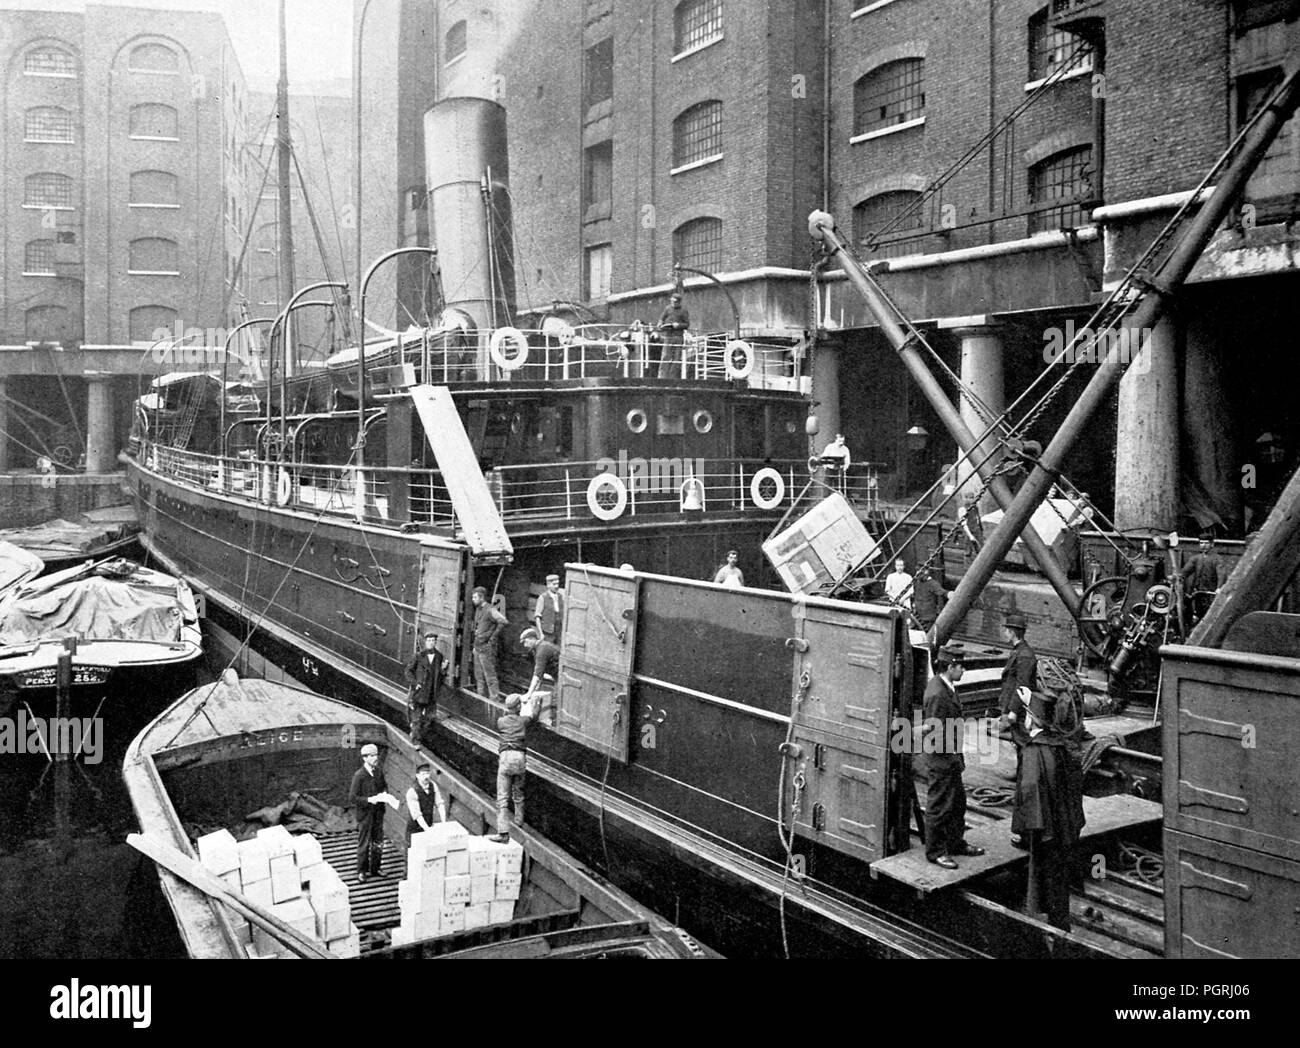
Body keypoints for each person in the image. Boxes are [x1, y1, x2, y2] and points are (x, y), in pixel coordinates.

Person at [1014, 686, 1085, 931]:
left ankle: (1057, 930)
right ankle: (1060, 922)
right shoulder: (1058, 744)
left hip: (1047, 831)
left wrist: (1026, 830)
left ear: (1032, 719)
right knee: (1060, 880)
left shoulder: (1034, 751)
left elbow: (1030, 789)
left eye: (1026, 714)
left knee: (1047, 879)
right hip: (1065, 825)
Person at [922, 645, 985, 869]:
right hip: (942, 760)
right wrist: (950, 759)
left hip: (951, 759)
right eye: (961, 666)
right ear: (950, 667)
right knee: (939, 806)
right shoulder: (938, 693)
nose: (964, 670)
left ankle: (955, 843)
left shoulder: (945, 686)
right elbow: (934, 732)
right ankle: (936, 851)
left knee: (957, 803)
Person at [998, 609, 1039, 844]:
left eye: (1006, 629)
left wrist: (1013, 712)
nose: (1003, 632)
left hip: (1020, 714)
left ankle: (1025, 777)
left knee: (1024, 746)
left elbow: (1023, 686)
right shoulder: (1019, 652)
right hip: (1015, 712)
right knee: (1020, 746)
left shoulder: (1024, 656)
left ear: (1012, 632)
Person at [490, 694, 538, 842]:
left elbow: (501, 723)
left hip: (505, 757)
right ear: (518, 707)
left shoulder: (501, 721)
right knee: (519, 794)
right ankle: (519, 823)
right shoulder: (523, 721)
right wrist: (535, 702)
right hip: (520, 758)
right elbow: (534, 715)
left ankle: (503, 833)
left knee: (503, 798)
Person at [347, 743, 391, 882]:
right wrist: (369, 800)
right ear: (365, 758)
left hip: (378, 813)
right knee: (364, 843)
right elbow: (353, 798)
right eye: (372, 756)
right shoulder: (359, 775)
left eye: (376, 755)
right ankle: (362, 871)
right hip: (365, 815)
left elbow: (384, 786)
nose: (375, 758)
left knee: (378, 841)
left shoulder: (378, 772)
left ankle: (376, 868)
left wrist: (384, 794)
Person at [404, 632, 445, 741]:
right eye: (429, 641)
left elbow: (439, 677)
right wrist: (415, 683)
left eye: (433, 641)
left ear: (435, 642)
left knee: (429, 720)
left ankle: (420, 740)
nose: (431, 643)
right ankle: (414, 741)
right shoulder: (419, 656)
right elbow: (408, 671)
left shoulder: (439, 656)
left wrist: (443, 670)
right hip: (419, 693)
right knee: (416, 719)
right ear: (425, 642)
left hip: (431, 694)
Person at [470, 586, 509, 700]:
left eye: (475, 597)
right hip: (477, 646)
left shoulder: (490, 609)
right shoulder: (478, 609)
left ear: (481, 598)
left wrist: (492, 637)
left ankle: (494, 698)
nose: (473, 599)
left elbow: (503, 621)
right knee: (478, 675)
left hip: (486, 648)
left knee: (489, 676)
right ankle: (480, 696)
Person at [404, 763, 448, 849]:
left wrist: (444, 822)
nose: (426, 776)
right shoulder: (412, 792)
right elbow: (417, 815)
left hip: (428, 824)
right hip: (415, 828)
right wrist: (427, 830)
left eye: (427, 773)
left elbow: (439, 804)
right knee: (413, 855)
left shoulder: (433, 786)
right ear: (417, 776)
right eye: (423, 774)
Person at [1180, 536, 1222, 623]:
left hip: (1210, 593)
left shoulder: (1217, 559)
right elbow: (1185, 572)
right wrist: (1178, 577)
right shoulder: (1196, 558)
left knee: (1209, 615)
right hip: (1198, 592)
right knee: (1194, 612)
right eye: (1201, 543)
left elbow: (1221, 574)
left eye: (1206, 543)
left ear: (1212, 544)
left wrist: (1219, 588)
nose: (1203, 545)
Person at [656, 293, 690, 379]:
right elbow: (662, 318)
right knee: (665, 356)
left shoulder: (683, 311)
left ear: (679, 302)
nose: (673, 304)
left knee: (676, 358)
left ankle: (673, 377)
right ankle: (662, 376)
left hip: (678, 337)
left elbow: (687, 324)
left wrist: (678, 325)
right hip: (668, 336)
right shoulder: (668, 309)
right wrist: (660, 324)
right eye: (672, 302)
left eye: (675, 302)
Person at [520, 628, 560, 696]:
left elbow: (537, 675)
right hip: (558, 676)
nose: (525, 645)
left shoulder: (541, 650)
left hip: (561, 676)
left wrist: (528, 694)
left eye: (525, 641)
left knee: (557, 698)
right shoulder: (537, 648)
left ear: (532, 638)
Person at [912, 567, 948, 631]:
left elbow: (941, 592)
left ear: (927, 572)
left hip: (928, 616)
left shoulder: (933, 583)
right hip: (918, 616)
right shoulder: (917, 582)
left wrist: (949, 594)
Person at [533, 573, 565, 642]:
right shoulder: (543, 598)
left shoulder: (560, 597)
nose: (556, 586)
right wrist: (541, 633)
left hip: (559, 631)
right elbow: (537, 617)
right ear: (548, 585)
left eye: (557, 584)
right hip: (547, 632)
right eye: (554, 584)